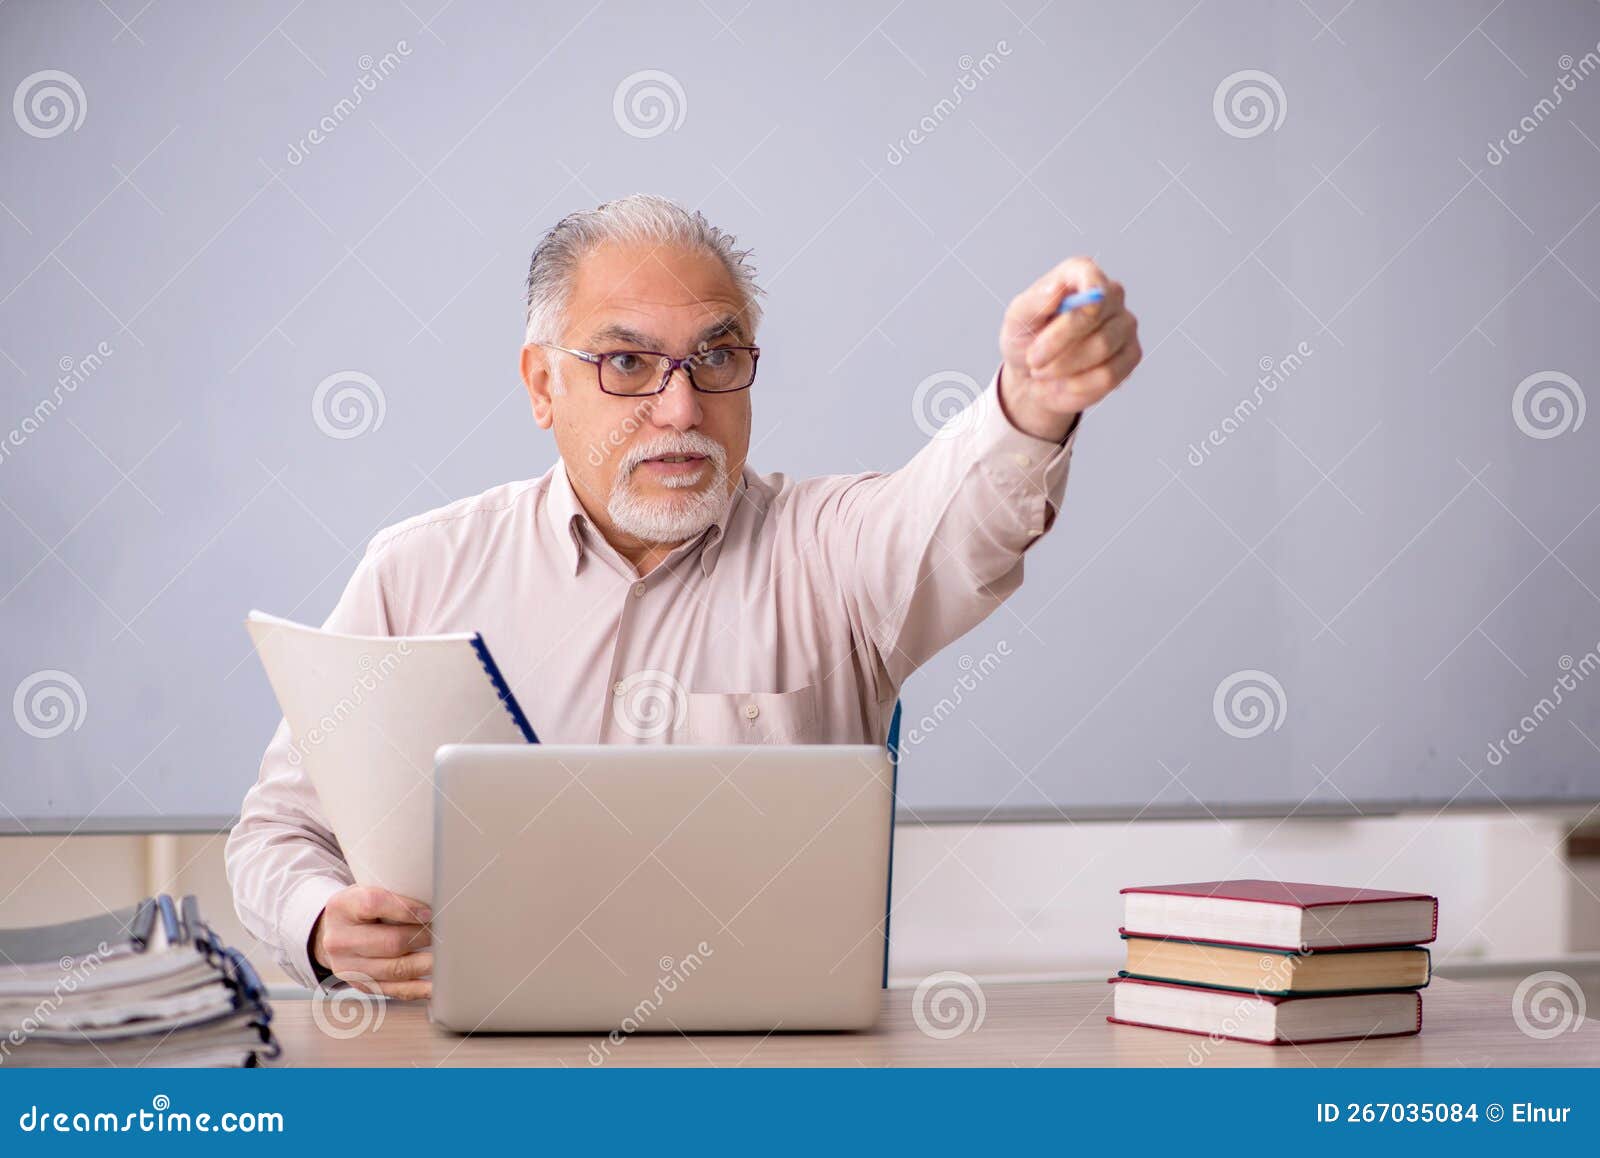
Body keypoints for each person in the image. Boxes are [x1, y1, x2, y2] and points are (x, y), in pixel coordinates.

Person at [226, 194, 1142, 998]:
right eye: (627, 363)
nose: (681, 408)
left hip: (766, 1079)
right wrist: (319, 921)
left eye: (716, 357)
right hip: (472, 1075)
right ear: (543, 384)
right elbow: (279, 834)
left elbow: (962, 514)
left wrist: (1030, 398)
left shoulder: (835, 552)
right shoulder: (417, 572)